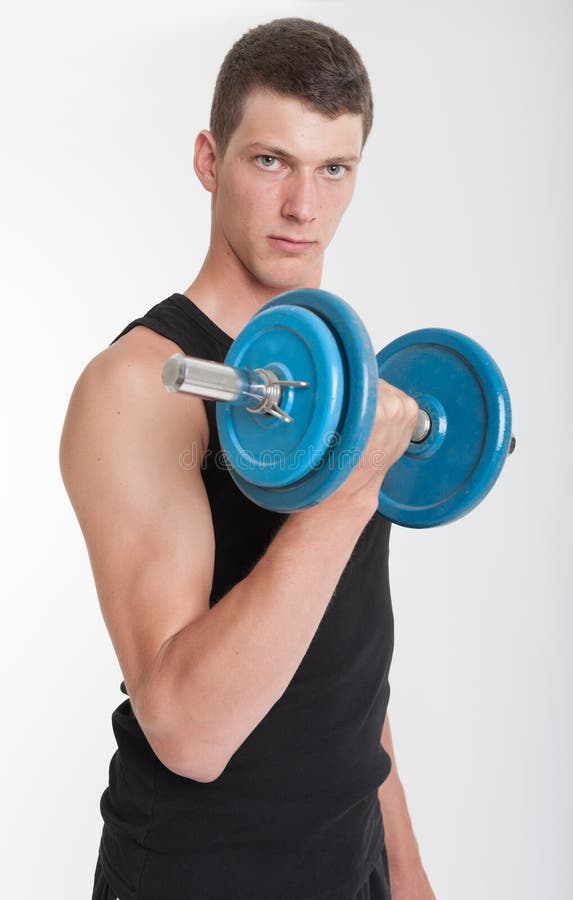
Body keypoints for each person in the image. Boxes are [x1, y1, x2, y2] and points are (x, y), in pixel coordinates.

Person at [60, 17, 436, 900]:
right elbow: (186, 730)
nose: (304, 207)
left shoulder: (339, 371)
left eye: (332, 169)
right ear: (208, 159)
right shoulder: (139, 389)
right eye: (271, 161)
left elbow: (345, 667)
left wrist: (408, 872)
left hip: (349, 865)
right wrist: (345, 495)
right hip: (201, 874)